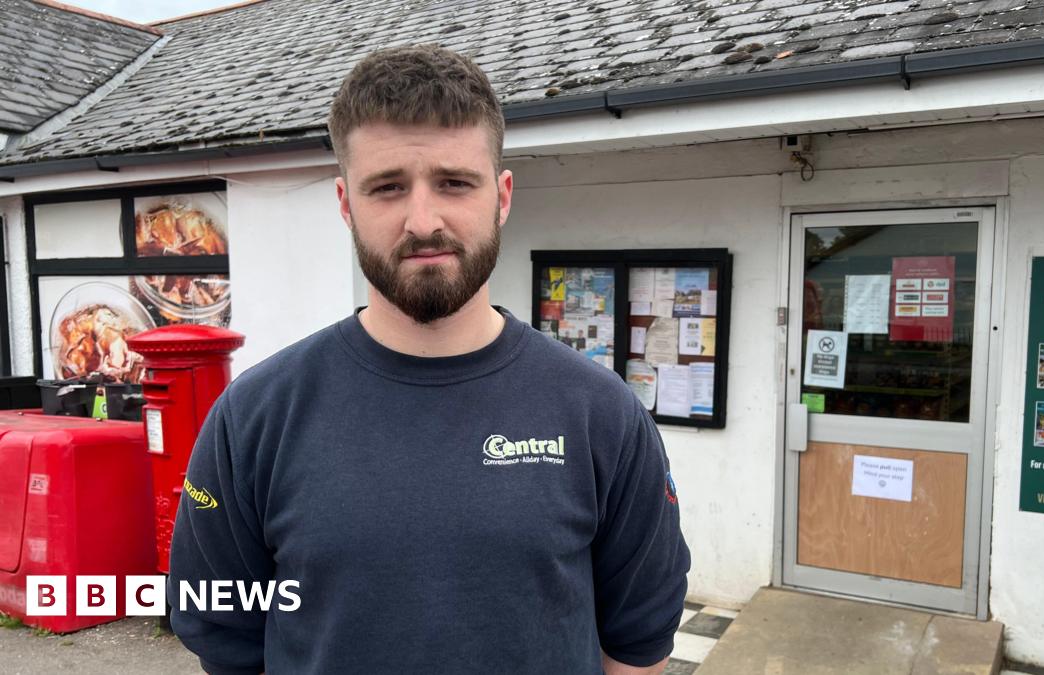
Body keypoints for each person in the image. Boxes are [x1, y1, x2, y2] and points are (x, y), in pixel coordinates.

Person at [167, 45, 691, 675]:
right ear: (345, 203)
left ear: (500, 196)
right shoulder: (254, 418)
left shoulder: (600, 414)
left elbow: (636, 651)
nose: (422, 220)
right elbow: (227, 647)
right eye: (387, 187)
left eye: (453, 182)